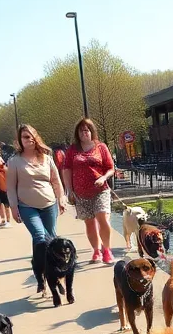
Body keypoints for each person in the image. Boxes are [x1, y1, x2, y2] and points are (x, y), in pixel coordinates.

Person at [7, 124, 67, 295]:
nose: (30, 139)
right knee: (40, 237)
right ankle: (40, 276)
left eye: (32, 135)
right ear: (20, 140)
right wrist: (13, 208)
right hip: (27, 206)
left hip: (49, 204)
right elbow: (10, 187)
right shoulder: (15, 161)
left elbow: (56, 181)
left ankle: (53, 275)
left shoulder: (46, 158)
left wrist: (60, 199)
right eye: (25, 137)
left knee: (52, 240)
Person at [62, 118, 117, 263]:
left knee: (102, 217)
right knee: (89, 223)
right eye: (81, 131)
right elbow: (66, 169)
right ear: (77, 133)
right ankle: (96, 251)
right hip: (80, 192)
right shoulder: (73, 150)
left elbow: (111, 168)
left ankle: (107, 250)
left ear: (92, 131)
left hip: (100, 189)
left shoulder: (101, 147)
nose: (84, 133)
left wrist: (103, 178)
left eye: (87, 130)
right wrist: (69, 190)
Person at [0, 155, 12, 228]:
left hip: (4, 188)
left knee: (5, 205)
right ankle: (4, 219)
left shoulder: (3, 169)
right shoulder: (4, 168)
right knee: (0, 205)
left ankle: (6, 220)